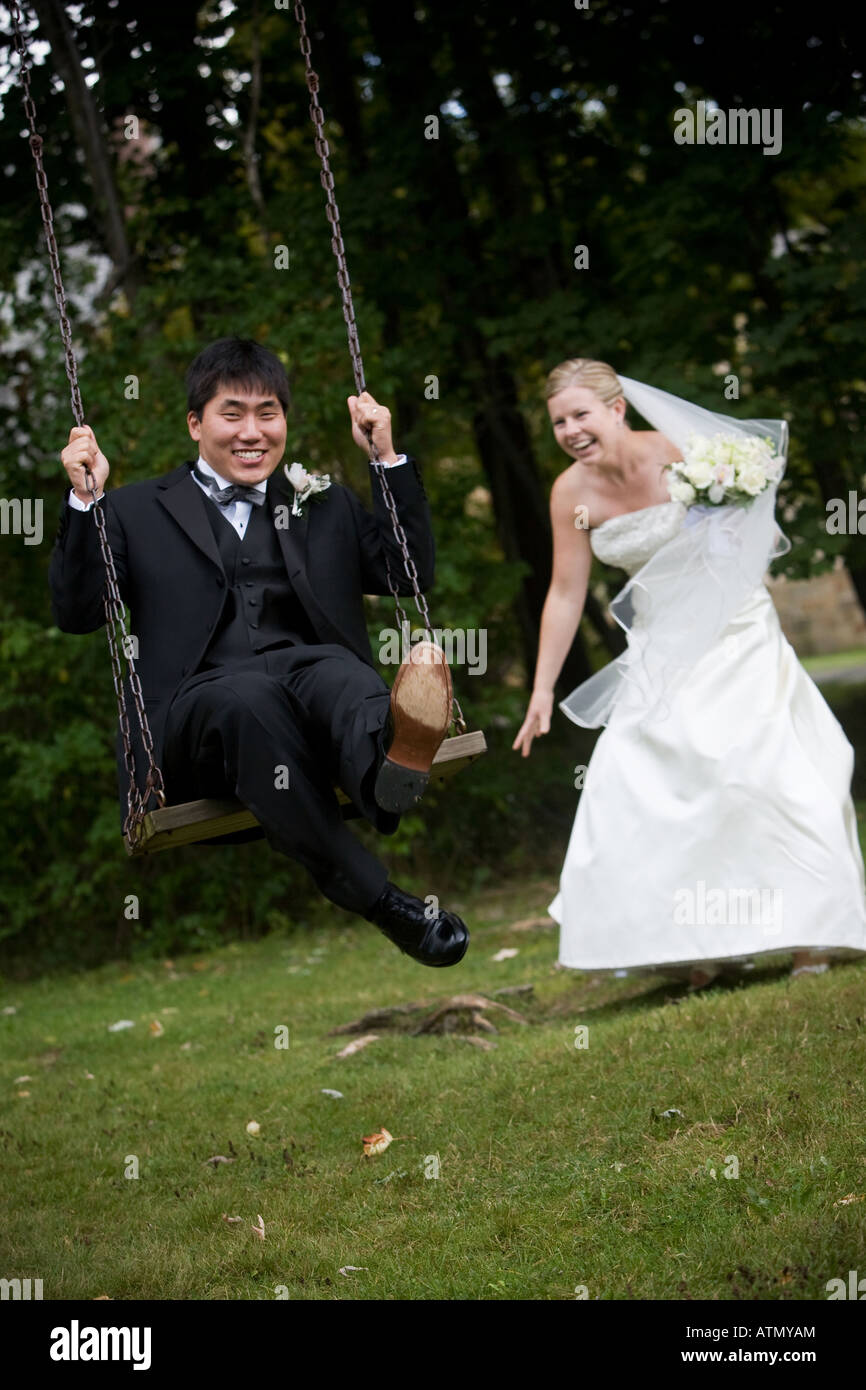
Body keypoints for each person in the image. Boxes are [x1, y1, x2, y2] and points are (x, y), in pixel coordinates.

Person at [49, 336, 468, 968]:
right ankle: (381, 898)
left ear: (285, 422)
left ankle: (390, 767)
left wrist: (385, 459)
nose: (253, 431)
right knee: (248, 694)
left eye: (267, 413)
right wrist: (85, 501)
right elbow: (78, 611)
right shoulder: (133, 510)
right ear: (196, 424)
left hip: (307, 702)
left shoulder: (320, 502)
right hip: (200, 717)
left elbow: (408, 574)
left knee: (338, 672)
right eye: (232, 413)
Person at [513, 357, 866, 987]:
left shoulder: (688, 454)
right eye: (559, 422)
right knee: (641, 782)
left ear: (616, 409)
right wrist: (541, 688)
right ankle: (699, 945)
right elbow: (566, 593)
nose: (569, 430)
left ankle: (809, 936)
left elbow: (746, 535)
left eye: (580, 415)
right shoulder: (571, 493)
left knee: (764, 771)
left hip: (734, 631)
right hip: (656, 645)